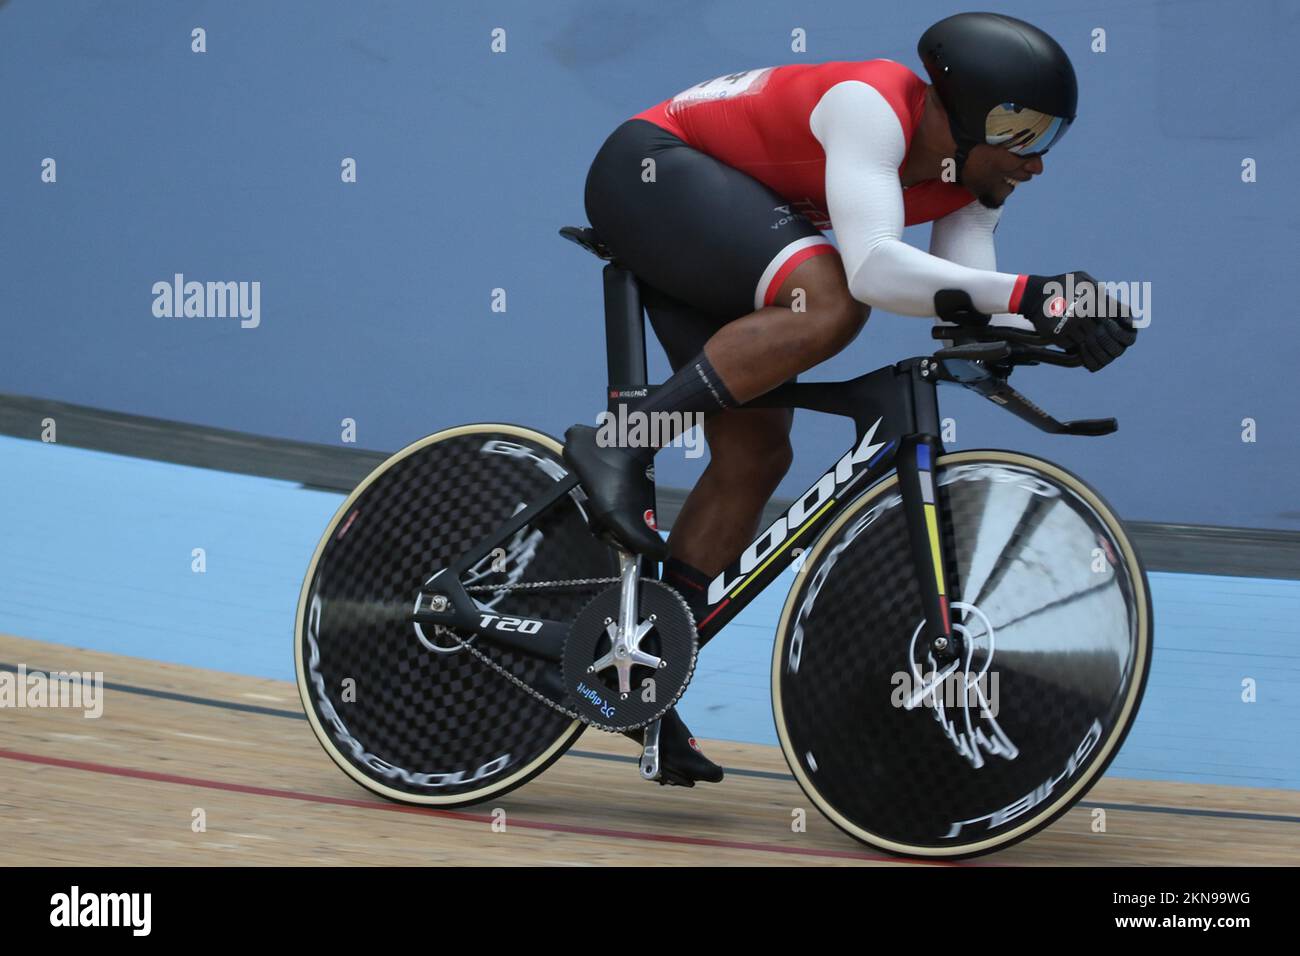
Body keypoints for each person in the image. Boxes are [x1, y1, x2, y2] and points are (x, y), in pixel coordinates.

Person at [562, 12, 1138, 786]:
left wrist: (1061, 322)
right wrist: (1036, 295)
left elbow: (960, 294)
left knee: (757, 455)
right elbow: (873, 272)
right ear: (962, 113)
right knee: (830, 302)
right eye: (1022, 133)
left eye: (1050, 137)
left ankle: (639, 673)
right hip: (654, 169)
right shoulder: (872, 106)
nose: (1036, 160)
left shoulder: (974, 181)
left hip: (736, 223)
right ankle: (625, 438)